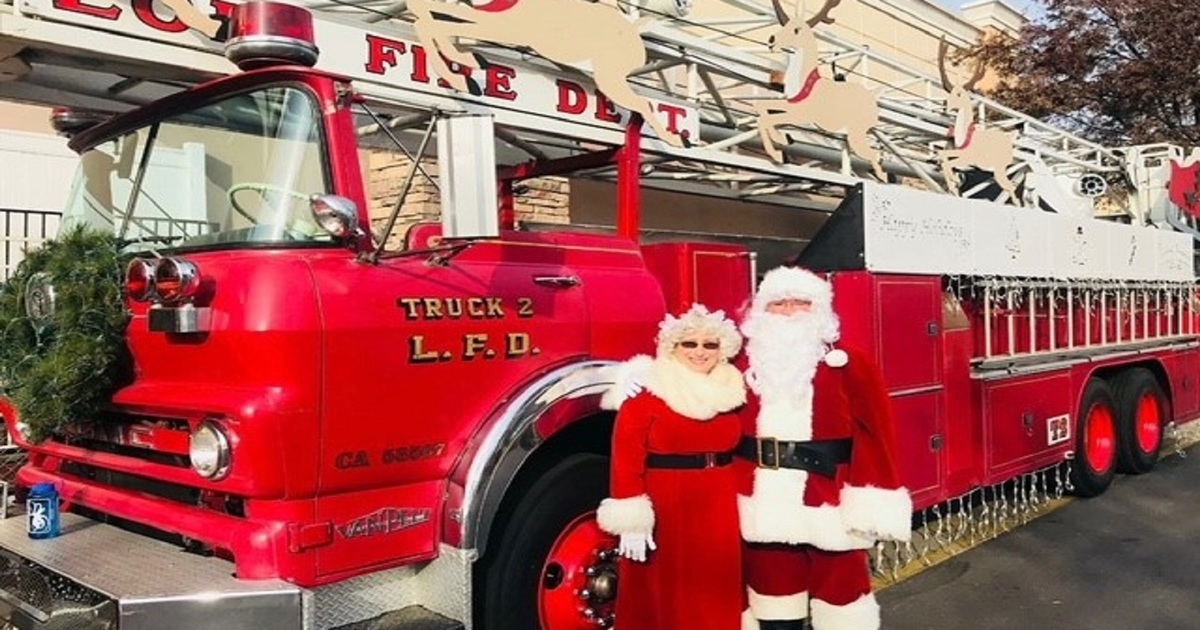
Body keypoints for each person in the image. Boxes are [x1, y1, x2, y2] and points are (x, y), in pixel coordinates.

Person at [737, 266, 911, 630]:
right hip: (762, 502)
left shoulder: (850, 363)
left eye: (800, 303)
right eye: (777, 303)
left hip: (829, 499)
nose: (788, 312)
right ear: (761, 311)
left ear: (819, 311)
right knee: (772, 599)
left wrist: (872, 499)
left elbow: (876, 435)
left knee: (841, 603)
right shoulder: (741, 365)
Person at [596, 303, 748, 630]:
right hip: (669, 504)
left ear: (724, 350)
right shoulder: (648, 393)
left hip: (720, 502)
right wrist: (631, 518)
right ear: (672, 347)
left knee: (714, 589)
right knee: (669, 593)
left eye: (710, 344)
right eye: (689, 343)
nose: (699, 352)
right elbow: (626, 457)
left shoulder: (734, 389)